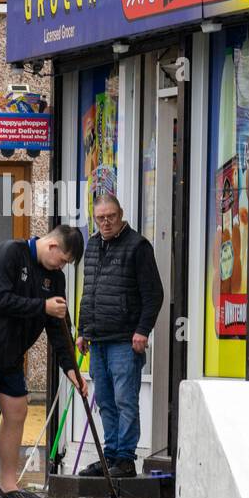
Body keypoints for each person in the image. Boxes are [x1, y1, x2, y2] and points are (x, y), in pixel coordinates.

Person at [0, 225, 87, 498]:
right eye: (63, 260)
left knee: (17, 410)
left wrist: (71, 368)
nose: (62, 266)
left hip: (9, 354)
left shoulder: (54, 279)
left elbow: (58, 326)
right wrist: (42, 306)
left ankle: (8, 484)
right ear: (52, 246)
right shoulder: (9, 252)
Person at [75, 194, 164, 478]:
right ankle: (109, 456)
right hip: (98, 338)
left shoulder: (138, 246)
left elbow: (154, 294)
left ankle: (125, 458)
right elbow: (88, 291)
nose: (105, 222)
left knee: (125, 399)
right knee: (104, 401)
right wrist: (82, 330)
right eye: (100, 217)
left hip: (126, 339)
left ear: (121, 214)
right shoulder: (91, 245)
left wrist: (142, 330)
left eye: (110, 216)